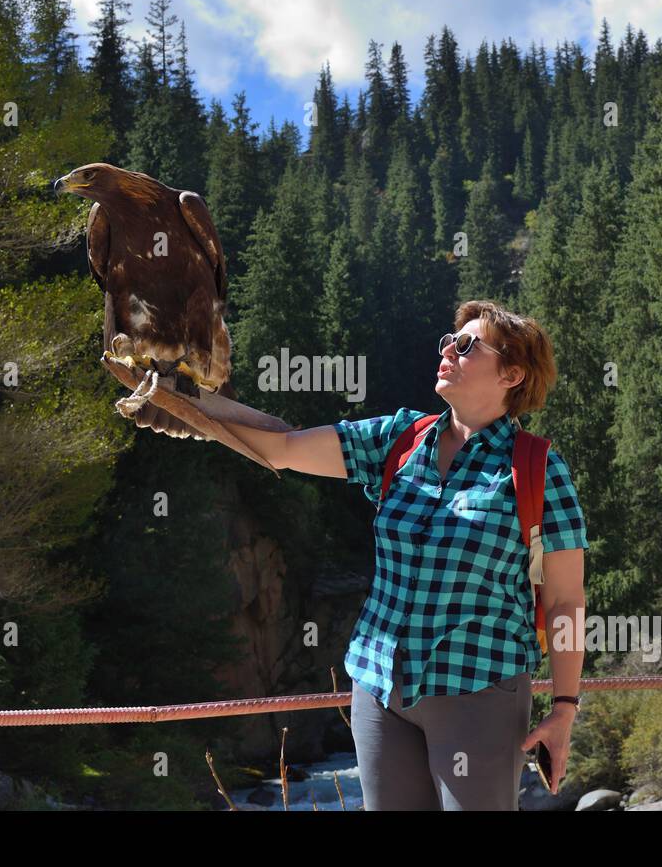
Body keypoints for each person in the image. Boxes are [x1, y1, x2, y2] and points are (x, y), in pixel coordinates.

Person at [224, 299, 587, 810]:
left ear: (512, 374)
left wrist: (564, 706)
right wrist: (187, 402)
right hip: (377, 686)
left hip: (478, 689)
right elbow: (280, 447)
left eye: (466, 345)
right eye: (447, 341)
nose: (447, 351)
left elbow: (568, 600)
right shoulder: (400, 439)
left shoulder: (537, 468)